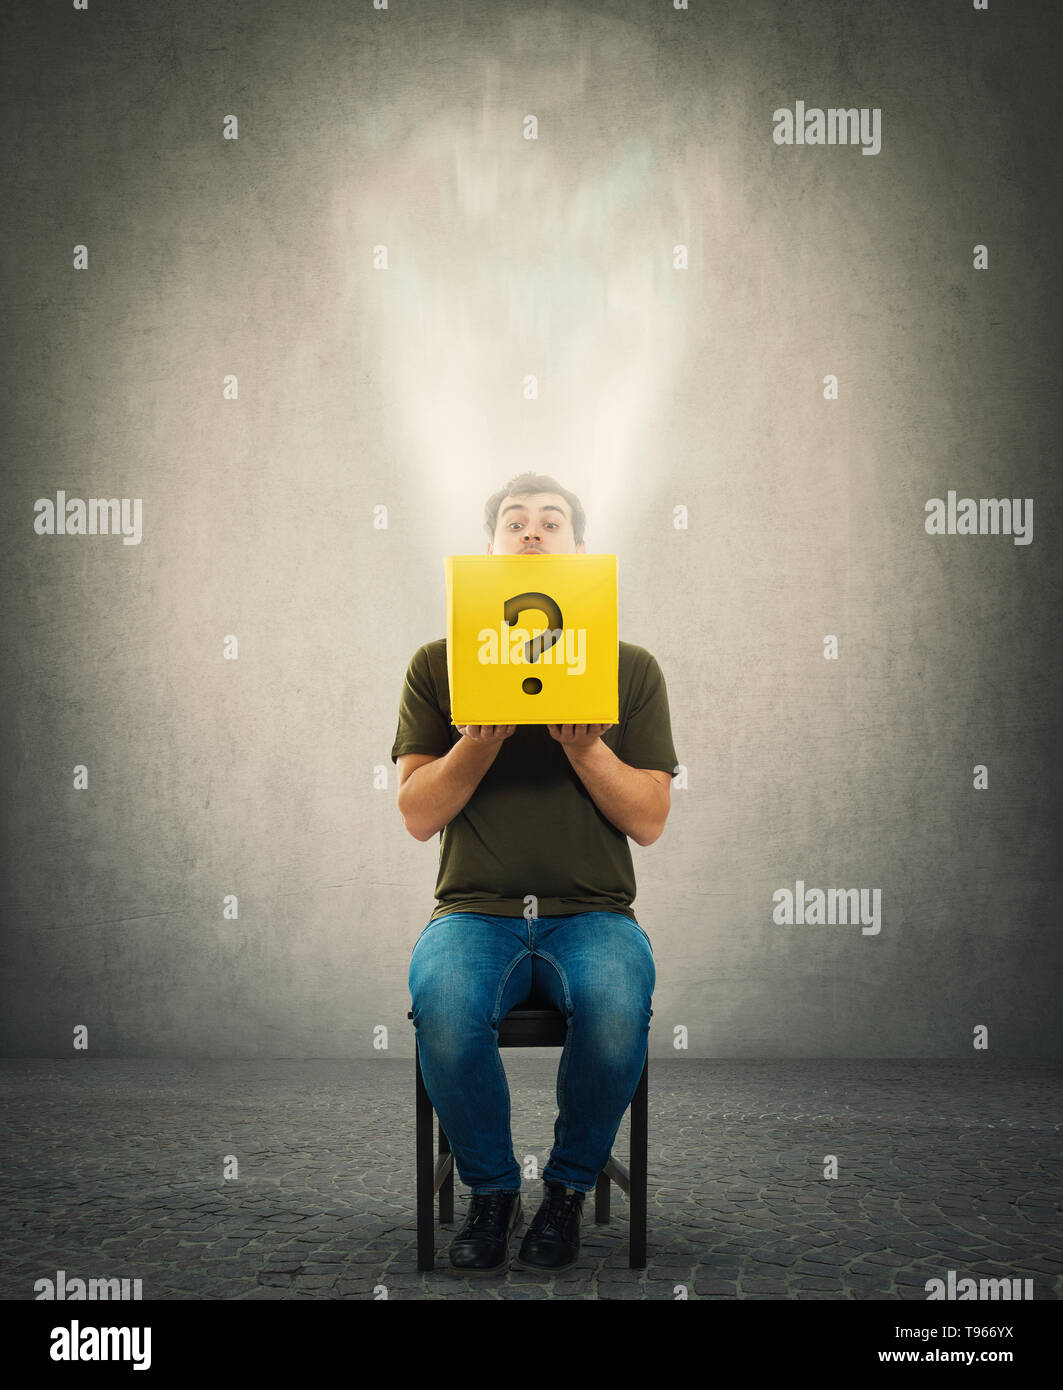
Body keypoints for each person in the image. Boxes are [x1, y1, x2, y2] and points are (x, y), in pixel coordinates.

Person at [391, 472, 678, 1276]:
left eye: (550, 521)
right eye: (512, 522)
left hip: (593, 917)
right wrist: (476, 742)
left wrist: (585, 746)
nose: (529, 532)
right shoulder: (435, 665)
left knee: (618, 1007)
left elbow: (648, 821)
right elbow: (417, 814)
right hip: (472, 915)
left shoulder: (631, 670)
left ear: (578, 551)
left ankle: (564, 1190)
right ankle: (490, 1192)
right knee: (443, 1007)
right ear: (488, 552)